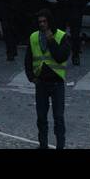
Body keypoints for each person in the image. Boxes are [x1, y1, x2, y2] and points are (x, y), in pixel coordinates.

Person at [24, 8, 70, 150]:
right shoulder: (33, 37)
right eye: (40, 22)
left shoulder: (61, 36)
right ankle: (43, 144)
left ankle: (60, 146)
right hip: (41, 83)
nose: (42, 24)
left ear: (50, 22)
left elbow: (61, 56)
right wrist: (31, 77)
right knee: (41, 118)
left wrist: (51, 40)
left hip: (57, 83)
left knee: (58, 117)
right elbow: (28, 59)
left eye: (45, 21)